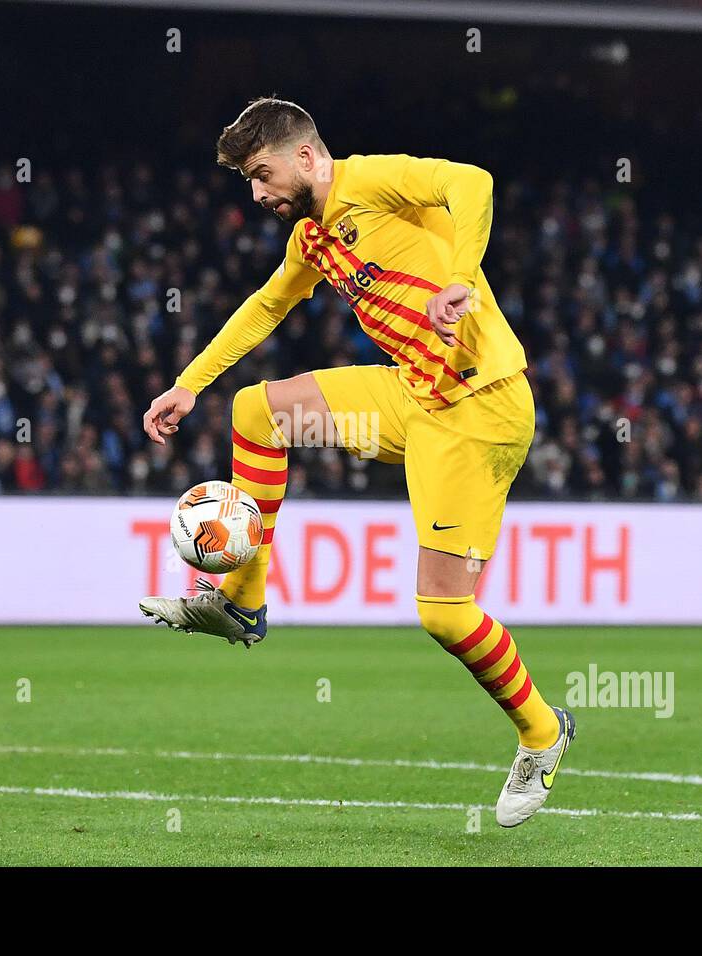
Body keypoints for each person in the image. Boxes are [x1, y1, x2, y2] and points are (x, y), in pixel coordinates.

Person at [140, 98, 574, 827]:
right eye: (247, 181)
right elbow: (266, 306)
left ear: (306, 157)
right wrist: (189, 383)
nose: (257, 193)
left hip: (480, 406)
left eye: (261, 174)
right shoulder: (311, 237)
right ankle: (243, 602)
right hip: (412, 393)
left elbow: (474, 181)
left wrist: (460, 279)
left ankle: (542, 730)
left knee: (442, 613)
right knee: (258, 411)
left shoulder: (371, 181)